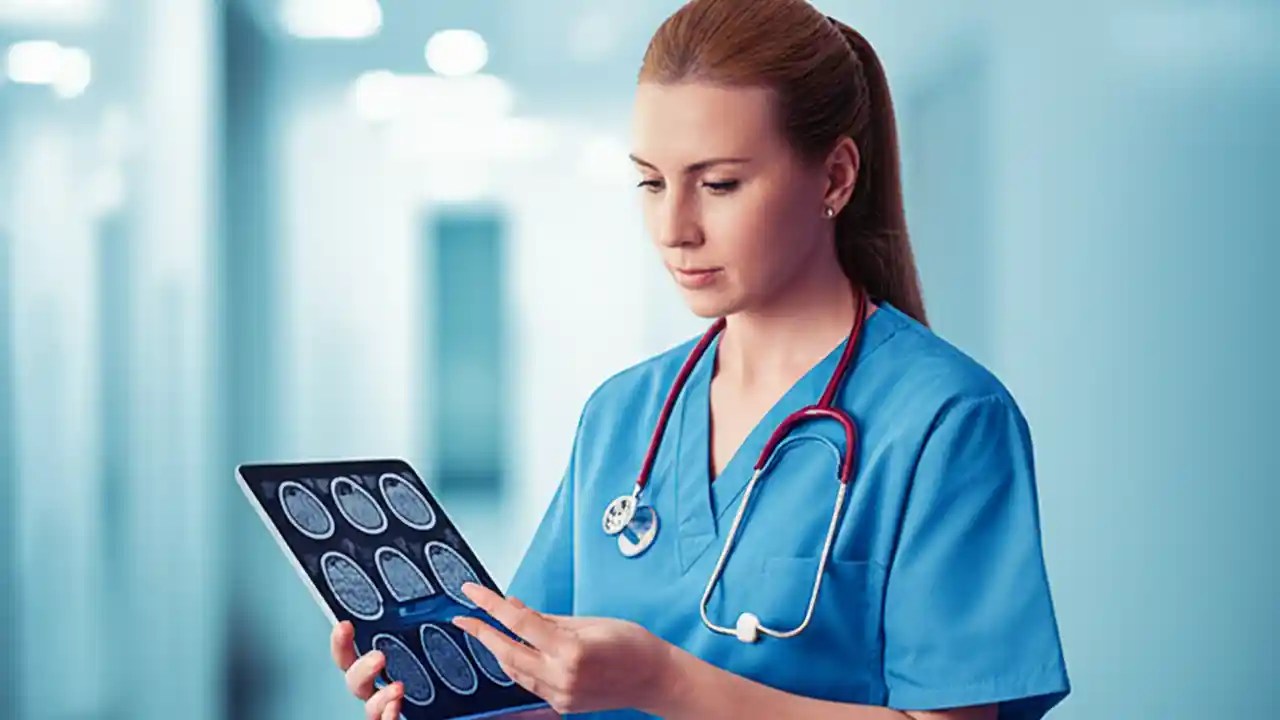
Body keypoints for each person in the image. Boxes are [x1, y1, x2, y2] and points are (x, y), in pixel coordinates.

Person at [331, 0, 1071, 717]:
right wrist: (446, 707)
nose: (674, 227)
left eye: (718, 184)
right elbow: (541, 689)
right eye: (652, 182)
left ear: (835, 178)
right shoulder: (623, 414)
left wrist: (664, 682)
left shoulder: (945, 420)